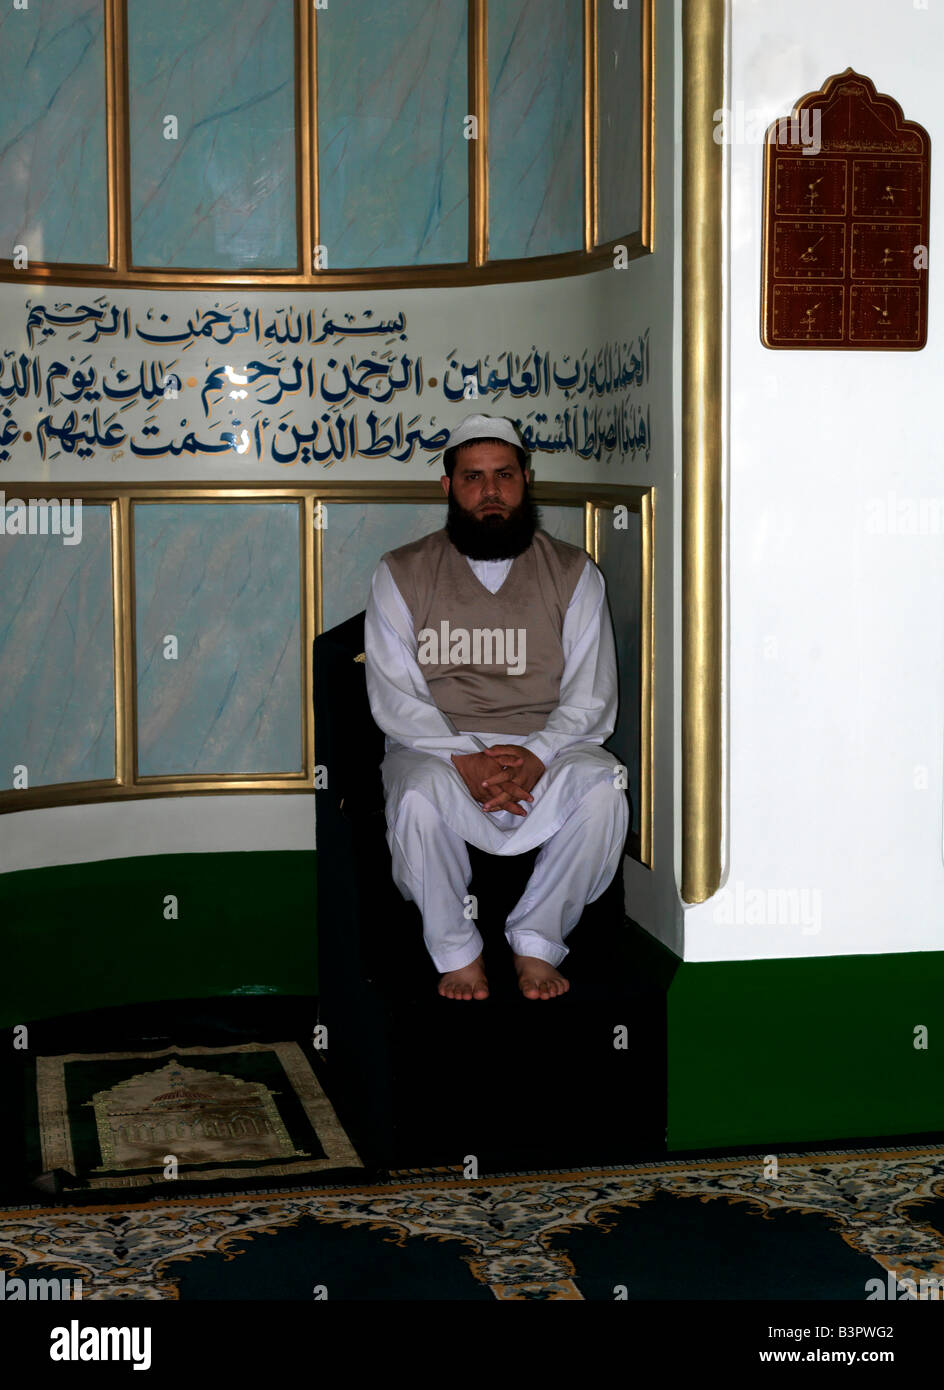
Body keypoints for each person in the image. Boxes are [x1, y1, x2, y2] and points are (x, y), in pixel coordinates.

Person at [364, 412, 628, 1002]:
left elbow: (592, 695)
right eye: (473, 478)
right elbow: (394, 695)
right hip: (439, 748)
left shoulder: (574, 572)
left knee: (604, 785)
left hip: (547, 746)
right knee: (415, 796)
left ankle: (537, 938)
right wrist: (465, 757)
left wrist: (536, 755)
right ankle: (457, 952)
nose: (490, 492)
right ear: (448, 487)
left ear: (525, 479)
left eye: (503, 476)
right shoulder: (399, 572)